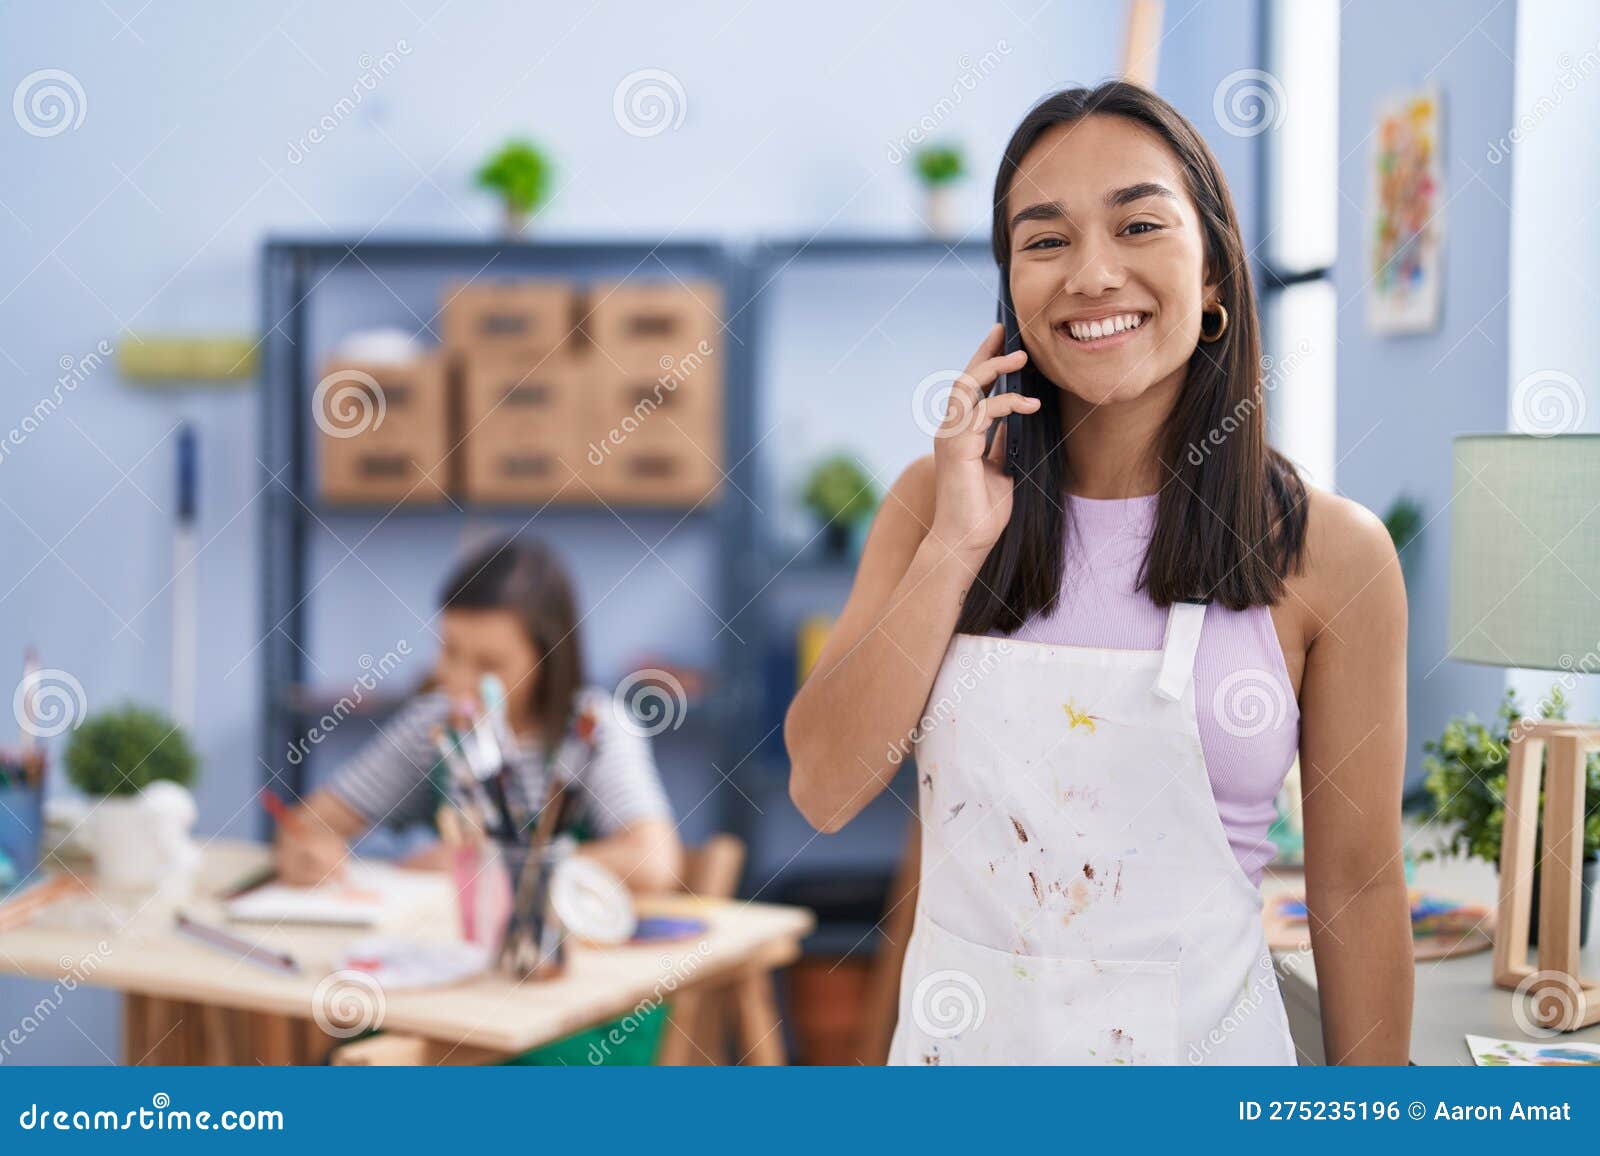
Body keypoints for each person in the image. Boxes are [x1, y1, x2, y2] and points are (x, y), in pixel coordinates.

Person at [786, 82, 1411, 1066]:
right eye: (1045, 240)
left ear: (1214, 274)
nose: (1091, 274)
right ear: (1011, 292)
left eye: (1138, 225)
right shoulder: (931, 503)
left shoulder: (1331, 553)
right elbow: (823, 788)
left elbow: (1359, 890)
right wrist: (953, 547)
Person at [276, 535, 683, 896]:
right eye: (449, 650)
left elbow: (654, 863)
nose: (458, 679)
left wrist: (492, 868)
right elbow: (307, 825)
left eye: (489, 663)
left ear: (547, 662)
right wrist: (306, 851)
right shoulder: (434, 723)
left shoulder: (595, 726)